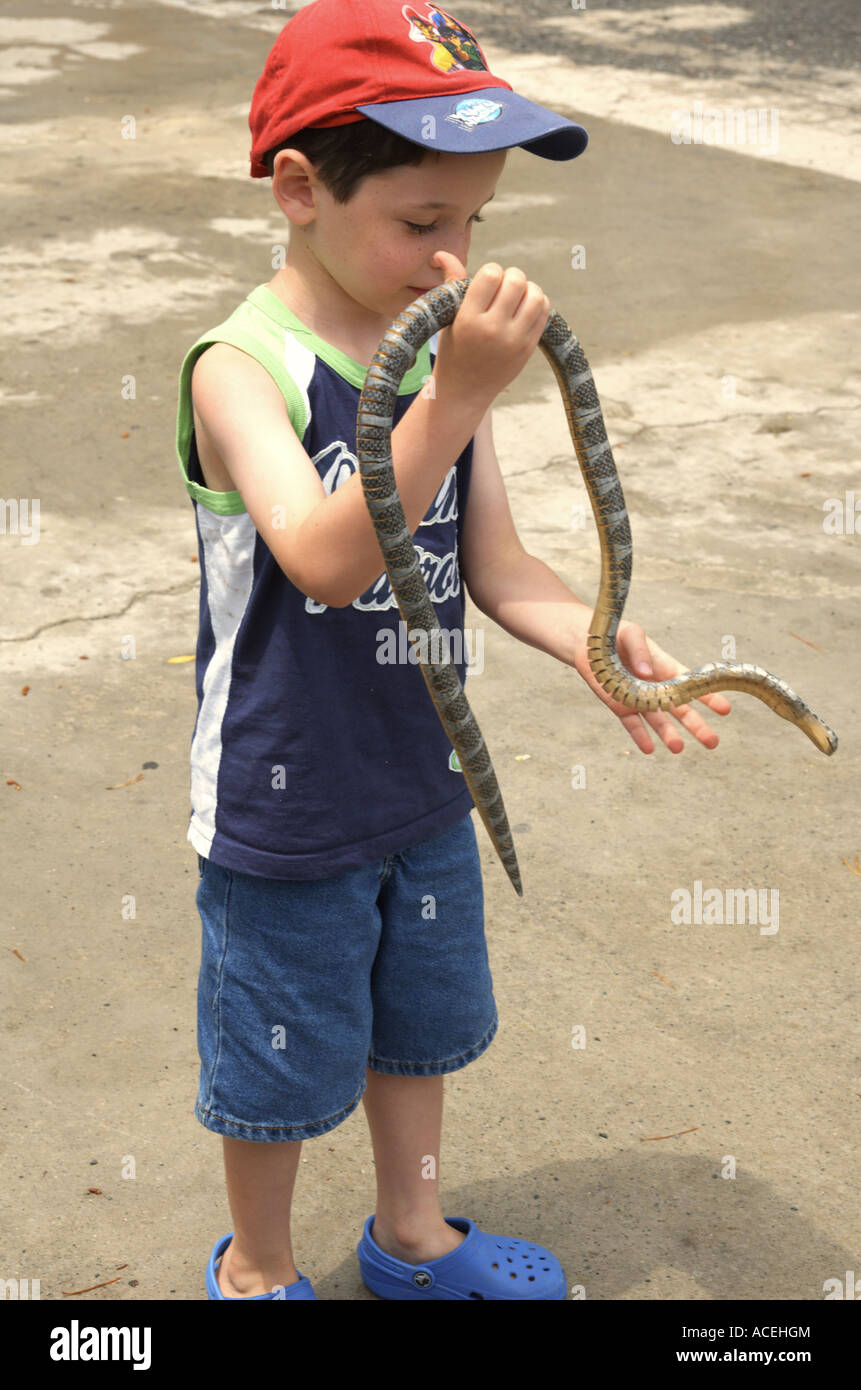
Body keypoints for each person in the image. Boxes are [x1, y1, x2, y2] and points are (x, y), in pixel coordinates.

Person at [174, 0, 730, 1301]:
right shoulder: (240, 368)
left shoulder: (433, 356)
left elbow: (493, 563)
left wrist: (589, 644)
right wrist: (458, 392)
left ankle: (410, 1237)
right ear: (300, 189)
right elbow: (324, 556)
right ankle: (257, 1267)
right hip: (282, 798)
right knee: (278, 1052)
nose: (450, 261)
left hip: (423, 784)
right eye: (422, 223)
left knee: (415, 1028)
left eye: (474, 225)